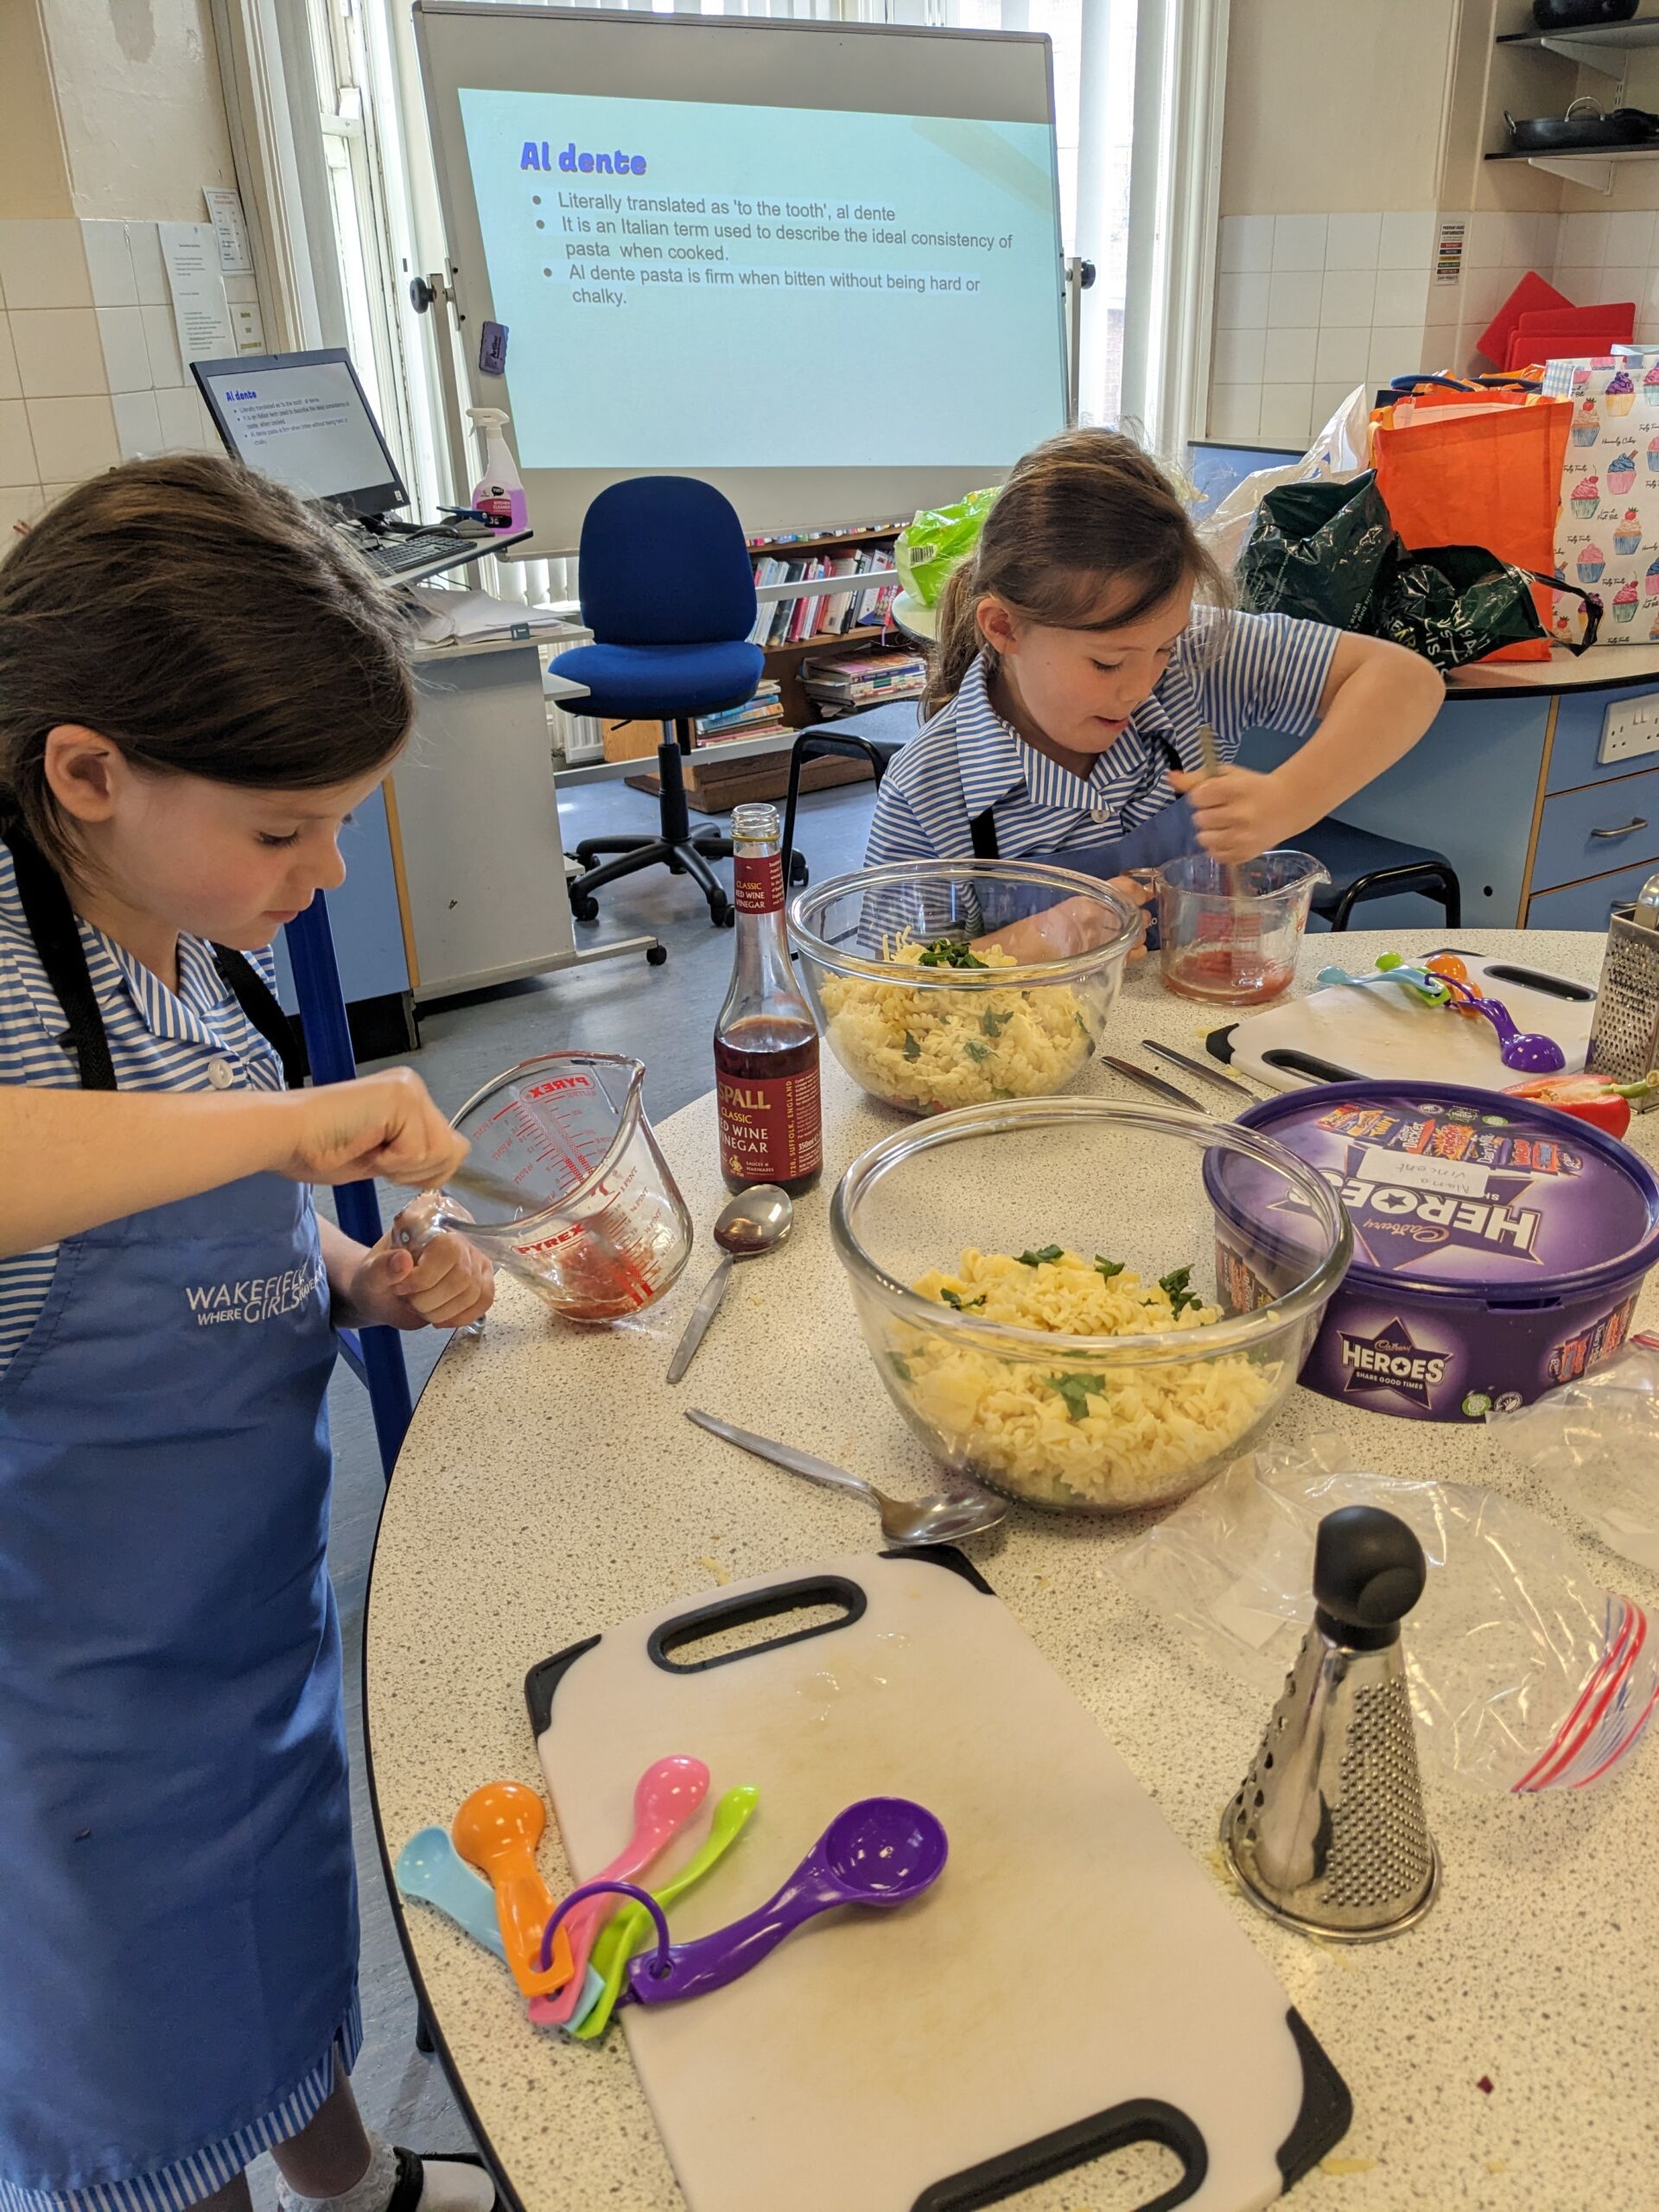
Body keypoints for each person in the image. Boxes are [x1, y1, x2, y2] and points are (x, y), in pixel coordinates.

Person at [0, 456, 501, 2212]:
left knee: (279, 1939)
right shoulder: (12, 954)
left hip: (238, 1613)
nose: (327, 866)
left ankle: (349, 2180)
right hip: (70, 1705)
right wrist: (293, 1127)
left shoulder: (180, 925)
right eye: (286, 826)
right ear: (89, 770)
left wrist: (352, 1274)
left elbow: (210, 1216)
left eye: (343, 819)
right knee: (147, 2062)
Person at [868, 429, 1444, 959]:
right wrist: (1029, 946)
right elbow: (884, 1006)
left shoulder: (1200, 660)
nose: (1142, 687)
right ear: (1004, 628)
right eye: (1107, 662)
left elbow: (1408, 683)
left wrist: (1291, 797)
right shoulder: (929, 795)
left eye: (1163, 648)